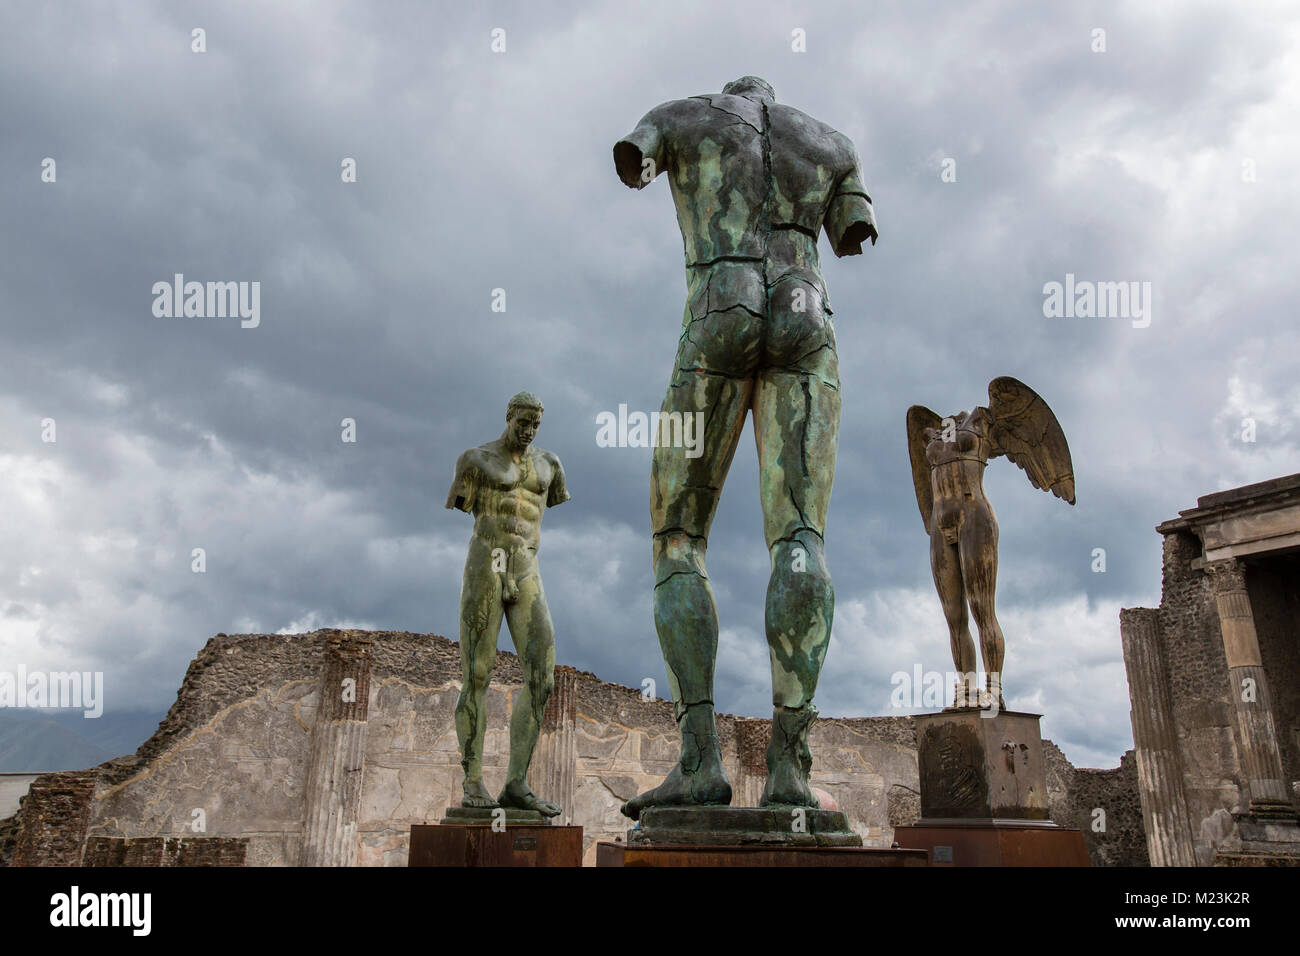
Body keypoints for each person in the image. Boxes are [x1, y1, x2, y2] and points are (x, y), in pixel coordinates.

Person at [613, 77, 877, 818]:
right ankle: (790, 768)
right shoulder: (832, 144)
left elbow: (633, 159)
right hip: (805, 312)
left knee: (677, 539)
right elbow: (853, 236)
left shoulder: (678, 115)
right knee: (799, 541)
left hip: (716, 310)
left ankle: (699, 760)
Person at [445, 391, 569, 815]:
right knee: (477, 674)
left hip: (526, 568)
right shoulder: (475, 460)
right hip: (486, 564)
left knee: (543, 676)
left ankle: (516, 782)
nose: (529, 429)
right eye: (523, 421)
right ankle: (473, 780)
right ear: (509, 417)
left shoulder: (550, 465)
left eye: (536, 423)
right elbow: (464, 506)